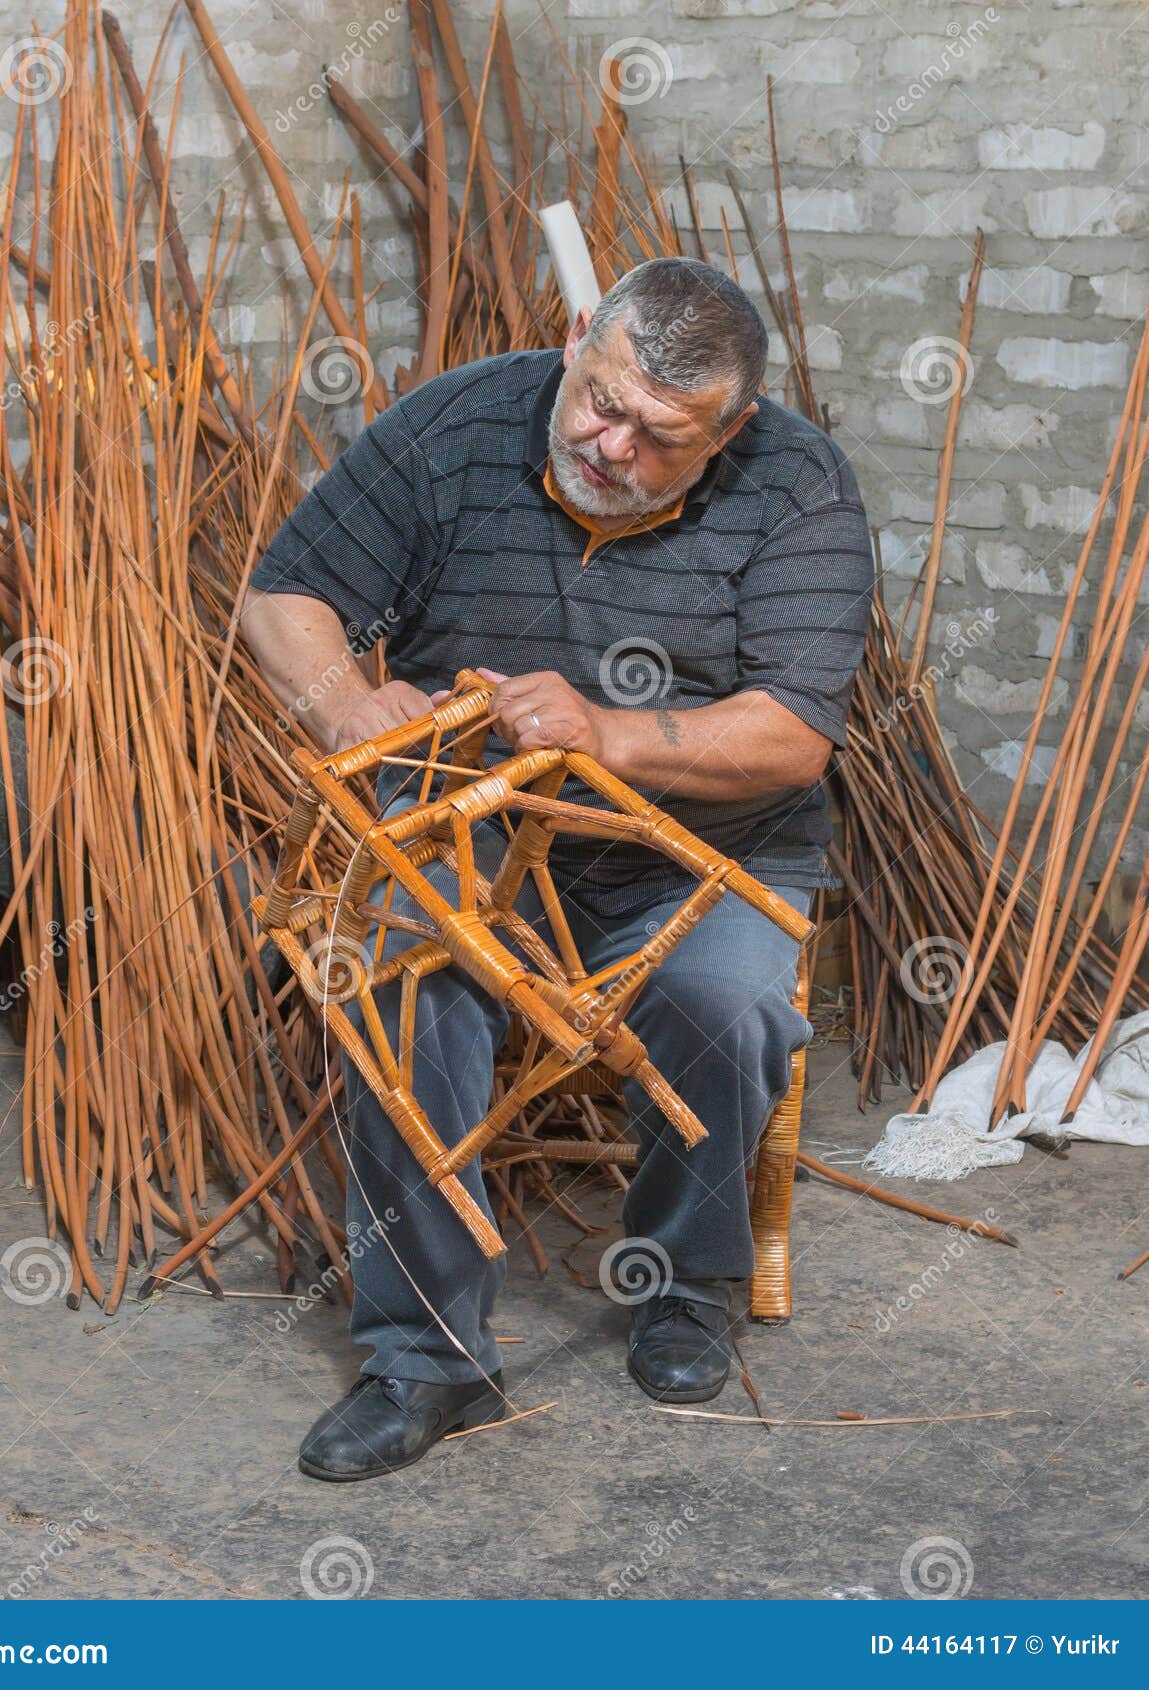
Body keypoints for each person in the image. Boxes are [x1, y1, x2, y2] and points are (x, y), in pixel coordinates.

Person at [242, 257, 875, 1482]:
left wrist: (608, 731)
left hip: (696, 842)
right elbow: (284, 598)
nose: (610, 446)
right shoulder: (455, 425)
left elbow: (793, 734)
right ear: (580, 337)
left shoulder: (795, 484)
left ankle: (686, 1281)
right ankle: (426, 1355)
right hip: (466, 819)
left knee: (728, 1002)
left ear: (728, 432)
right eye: (601, 399)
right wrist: (350, 711)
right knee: (400, 988)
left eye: (661, 439)